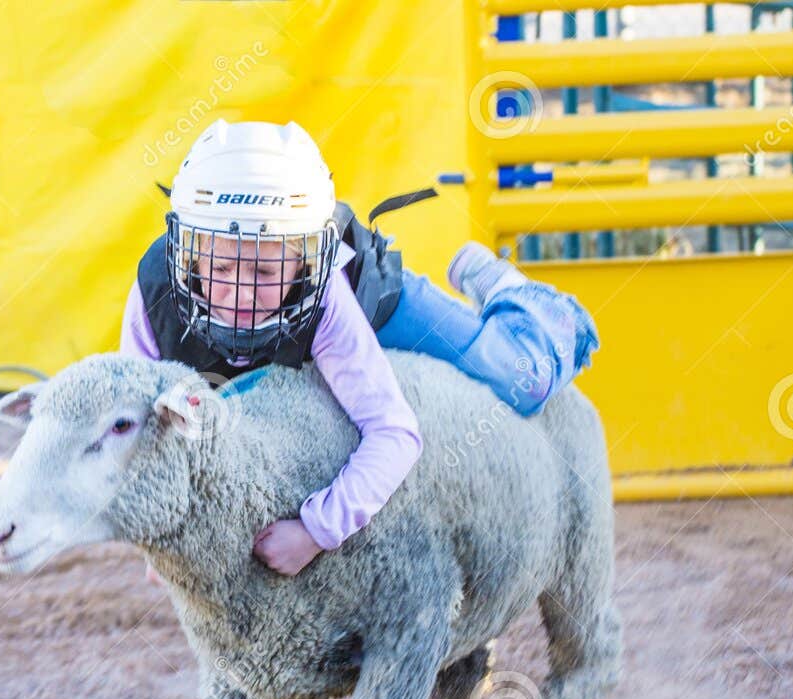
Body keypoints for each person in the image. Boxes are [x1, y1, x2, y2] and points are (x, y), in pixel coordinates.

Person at [121, 119, 598, 577]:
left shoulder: (327, 294)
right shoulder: (155, 293)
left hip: (376, 306)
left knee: (524, 380)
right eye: (221, 269)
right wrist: (163, 539)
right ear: (185, 252)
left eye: (265, 274)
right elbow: (141, 439)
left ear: (308, 259)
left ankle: (512, 295)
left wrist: (315, 532)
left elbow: (395, 433)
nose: (240, 293)